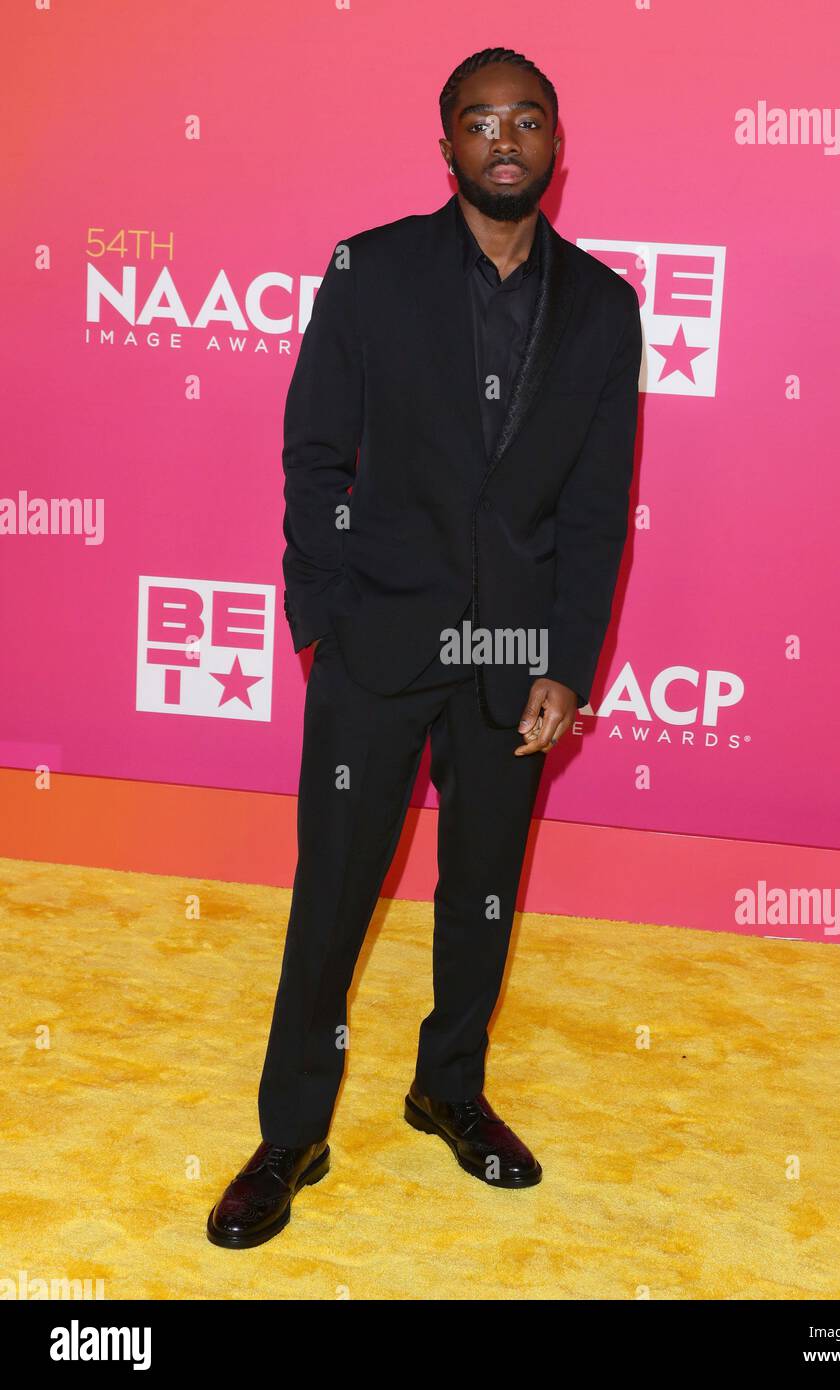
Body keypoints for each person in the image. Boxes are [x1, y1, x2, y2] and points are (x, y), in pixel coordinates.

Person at [207, 45, 643, 1249]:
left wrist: (566, 660)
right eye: (480, 121)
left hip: (513, 650)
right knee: (333, 896)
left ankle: (448, 1087)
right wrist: (322, 619)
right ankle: (291, 1131)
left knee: (483, 891)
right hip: (379, 640)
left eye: (527, 119)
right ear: (444, 144)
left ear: (557, 144)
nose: (504, 139)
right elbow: (314, 452)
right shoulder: (373, 270)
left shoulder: (603, 305)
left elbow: (597, 506)